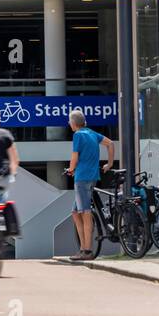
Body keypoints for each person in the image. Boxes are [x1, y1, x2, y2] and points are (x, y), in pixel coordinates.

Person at [66, 110, 114, 261]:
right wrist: (109, 164)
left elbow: (75, 156)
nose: (69, 124)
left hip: (82, 178)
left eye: (69, 121)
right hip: (93, 177)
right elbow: (110, 144)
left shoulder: (78, 135)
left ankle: (87, 251)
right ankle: (82, 248)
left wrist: (71, 169)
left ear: (74, 123)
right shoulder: (92, 133)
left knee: (85, 213)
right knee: (75, 212)